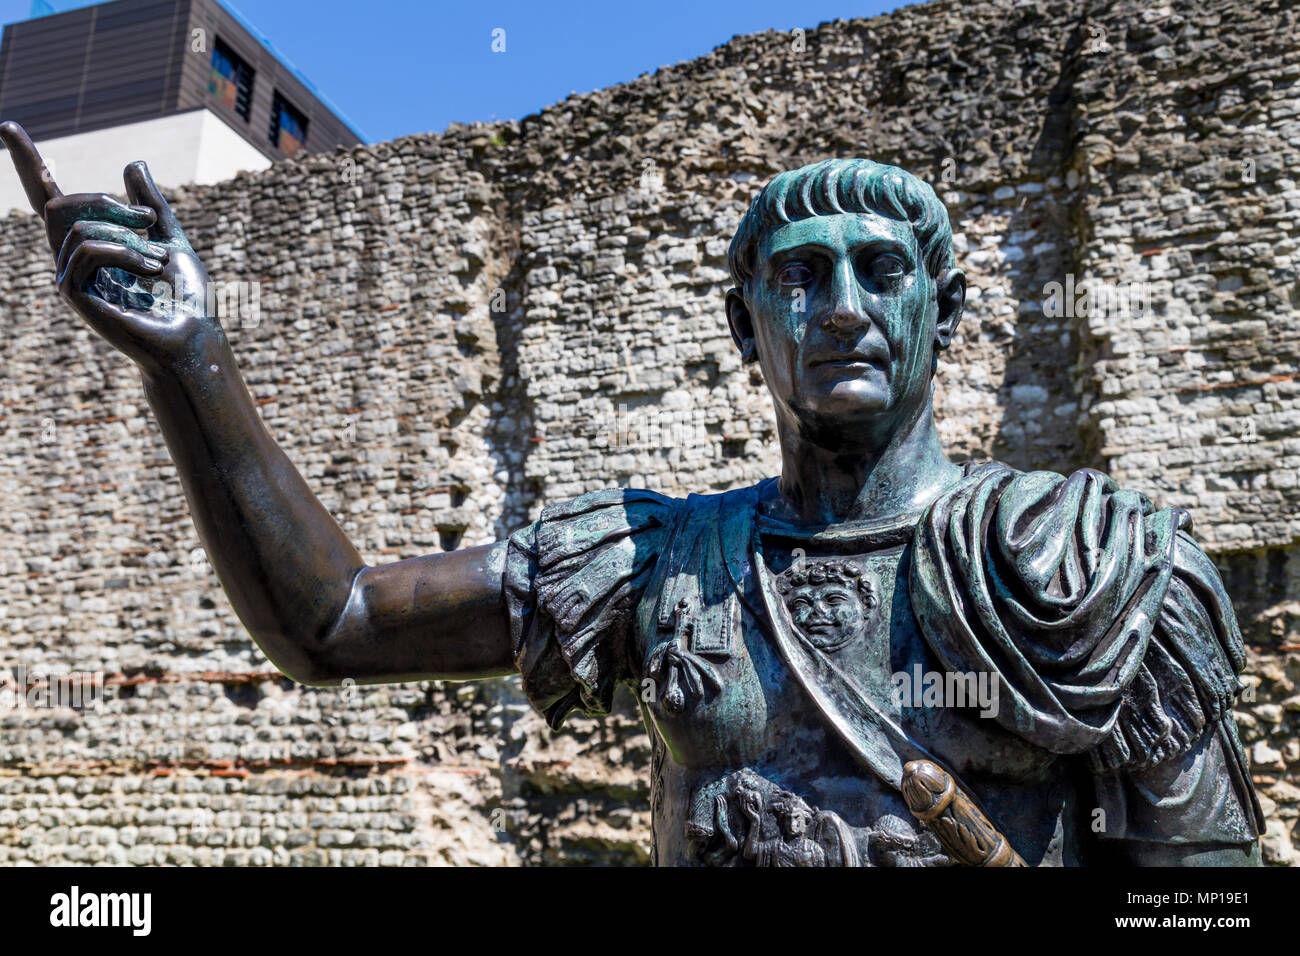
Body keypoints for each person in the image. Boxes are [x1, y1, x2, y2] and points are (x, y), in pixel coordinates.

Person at [0, 121, 1262, 865]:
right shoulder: (659, 560)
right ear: (743, 320)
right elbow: (333, 620)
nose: (843, 310)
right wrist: (192, 362)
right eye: (800, 277)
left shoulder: (1089, 563)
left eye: (882, 271)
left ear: (945, 311)